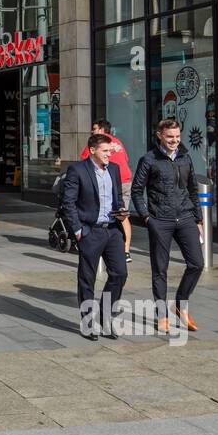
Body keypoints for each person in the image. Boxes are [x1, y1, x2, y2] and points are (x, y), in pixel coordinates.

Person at [131, 118, 204, 334]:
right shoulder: (149, 159)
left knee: (196, 264)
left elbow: (192, 189)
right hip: (160, 220)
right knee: (160, 269)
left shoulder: (185, 157)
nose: (174, 140)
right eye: (170, 136)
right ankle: (161, 315)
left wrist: (198, 218)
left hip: (185, 217)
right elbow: (137, 191)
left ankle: (180, 304)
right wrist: (146, 218)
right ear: (160, 135)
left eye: (177, 137)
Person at [61, 133, 130, 341]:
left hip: (112, 230)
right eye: (105, 151)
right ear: (93, 151)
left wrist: (121, 211)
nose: (110, 154)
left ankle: (106, 316)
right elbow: (68, 202)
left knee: (120, 273)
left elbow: (117, 198)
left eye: (111, 151)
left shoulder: (115, 170)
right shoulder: (78, 170)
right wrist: (79, 230)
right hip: (90, 230)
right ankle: (88, 323)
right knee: (87, 278)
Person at [80, 119, 135, 263]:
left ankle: (102, 246)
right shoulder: (118, 142)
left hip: (111, 181)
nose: (93, 131)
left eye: (95, 128)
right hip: (126, 179)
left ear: (102, 130)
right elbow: (126, 159)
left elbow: (85, 162)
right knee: (122, 214)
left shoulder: (96, 144)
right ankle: (126, 250)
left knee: (103, 210)